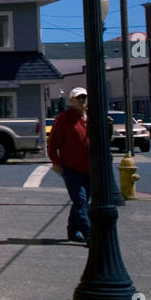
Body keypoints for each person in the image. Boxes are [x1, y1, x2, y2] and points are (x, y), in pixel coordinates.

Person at [48, 87, 91, 243]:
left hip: (90, 167)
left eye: (84, 97)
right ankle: (89, 234)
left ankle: (72, 232)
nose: (81, 100)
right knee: (80, 200)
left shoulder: (91, 117)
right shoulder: (63, 119)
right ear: (71, 100)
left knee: (82, 201)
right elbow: (52, 145)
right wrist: (56, 162)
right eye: (78, 97)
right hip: (71, 167)